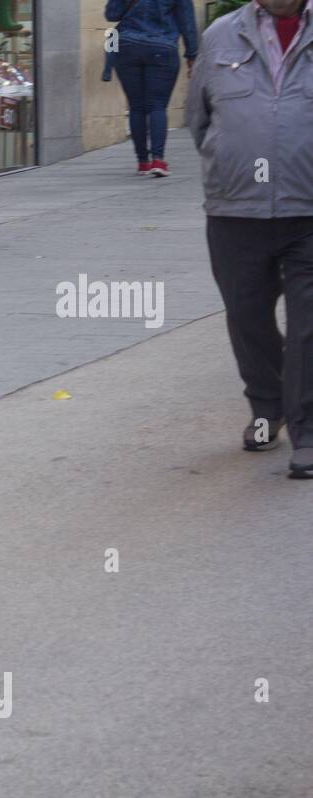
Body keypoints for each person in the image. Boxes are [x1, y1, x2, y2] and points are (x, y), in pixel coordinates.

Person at [186, 0, 313, 478]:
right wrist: (234, 164)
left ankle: (309, 432)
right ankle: (267, 406)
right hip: (236, 209)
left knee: (309, 325)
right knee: (246, 315)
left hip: (309, 210)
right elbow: (199, 121)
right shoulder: (220, 35)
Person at [106, 0, 200, 176]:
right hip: (162, 47)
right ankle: (158, 160)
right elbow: (187, 21)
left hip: (127, 46)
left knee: (136, 106)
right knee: (157, 105)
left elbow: (111, 14)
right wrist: (192, 55)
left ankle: (142, 162)